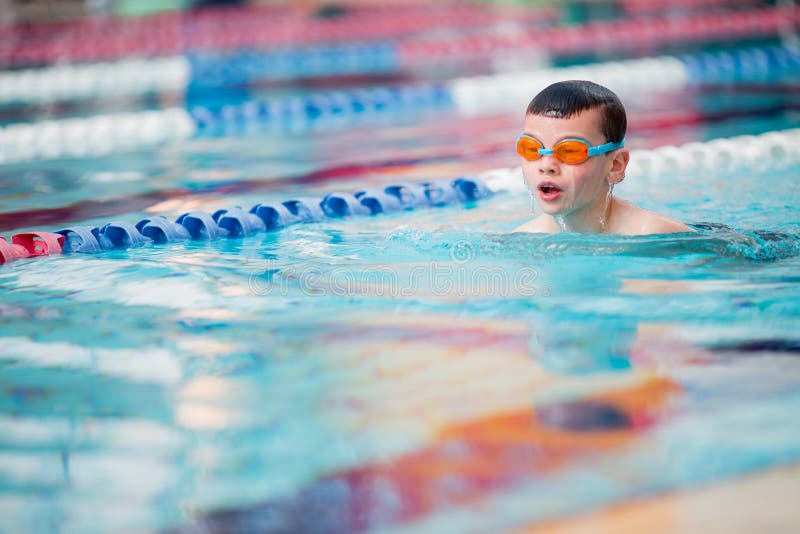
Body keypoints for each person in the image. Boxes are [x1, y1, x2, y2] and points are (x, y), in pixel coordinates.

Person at [512, 80, 692, 235]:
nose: (546, 165)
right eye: (531, 148)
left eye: (570, 151)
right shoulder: (521, 240)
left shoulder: (655, 235)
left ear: (615, 165)